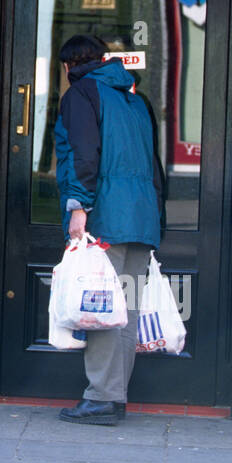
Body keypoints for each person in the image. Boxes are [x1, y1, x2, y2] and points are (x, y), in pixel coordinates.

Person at [52, 35, 163, 426]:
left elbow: (84, 154)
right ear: (103, 59)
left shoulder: (82, 94)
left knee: (100, 310)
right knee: (125, 312)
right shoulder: (136, 99)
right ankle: (114, 398)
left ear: (69, 65)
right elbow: (153, 164)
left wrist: (78, 207)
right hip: (141, 218)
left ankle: (100, 398)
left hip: (106, 218)